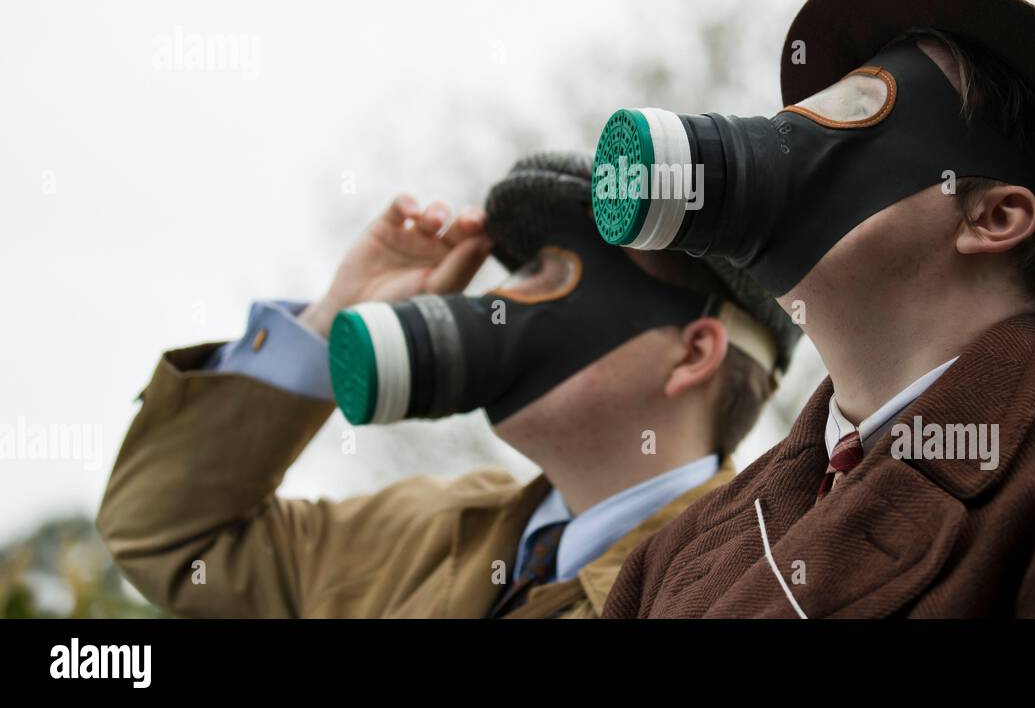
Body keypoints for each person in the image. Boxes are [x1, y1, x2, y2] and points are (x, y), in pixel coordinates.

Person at [593, 0, 1035, 617]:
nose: (793, 133)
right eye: (813, 106)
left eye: (859, 108)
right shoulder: (677, 553)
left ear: (995, 217)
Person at [97, 152, 801, 618]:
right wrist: (324, 325)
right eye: (517, 272)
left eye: (554, 279)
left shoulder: (759, 586)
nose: (498, 303)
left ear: (693, 353)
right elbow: (171, 536)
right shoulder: (414, 533)